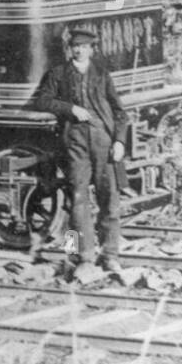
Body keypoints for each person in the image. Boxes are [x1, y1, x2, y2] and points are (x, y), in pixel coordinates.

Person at [32, 26, 128, 272]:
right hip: (75, 143)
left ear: (91, 50)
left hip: (104, 143)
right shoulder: (58, 74)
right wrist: (70, 109)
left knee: (110, 200)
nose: (79, 50)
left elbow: (120, 113)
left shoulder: (102, 75)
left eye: (84, 47)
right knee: (78, 199)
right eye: (75, 47)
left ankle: (110, 255)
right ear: (70, 49)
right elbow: (43, 100)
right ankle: (82, 256)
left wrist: (119, 142)